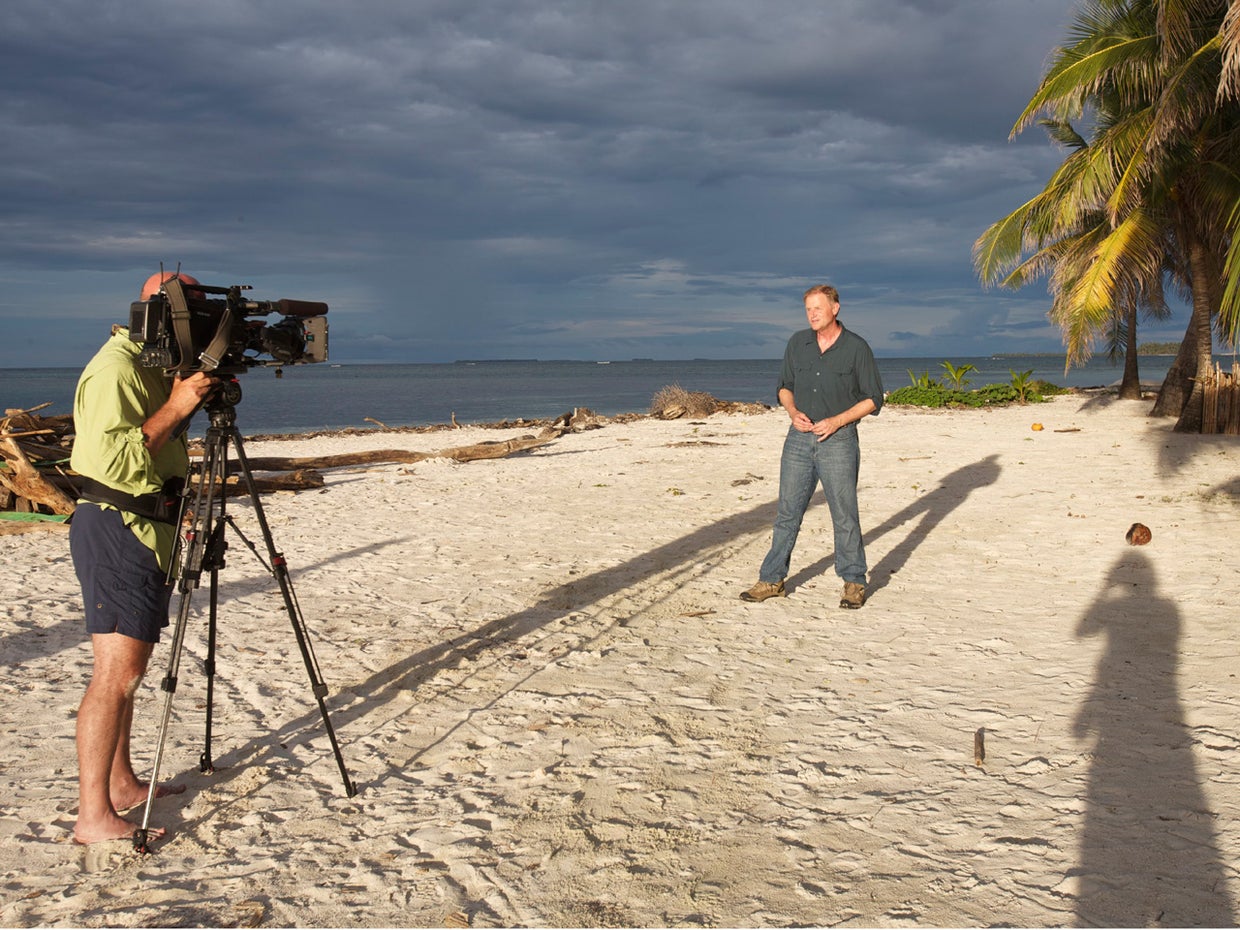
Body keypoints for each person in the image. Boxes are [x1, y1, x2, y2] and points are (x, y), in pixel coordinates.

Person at [69, 271, 217, 844]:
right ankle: (93, 818)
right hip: (117, 528)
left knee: (129, 673)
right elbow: (109, 462)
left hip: (147, 529)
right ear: (159, 311)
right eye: (190, 311)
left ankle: (123, 785)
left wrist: (184, 394)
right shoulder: (117, 369)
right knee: (117, 674)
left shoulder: (152, 365)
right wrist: (178, 404)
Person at [741, 284, 884, 609]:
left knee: (844, 515)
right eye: (808, 309)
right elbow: (784, 387)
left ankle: (853, 582)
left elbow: (873, 399)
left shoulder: (856, 348)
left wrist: (837, 421)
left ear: (835, 308)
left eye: (818, 308)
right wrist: (792, 412)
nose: (813, 314)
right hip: (798, 441)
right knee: (787, 513)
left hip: (839, 440)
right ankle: (772, 579)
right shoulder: (798, 344)